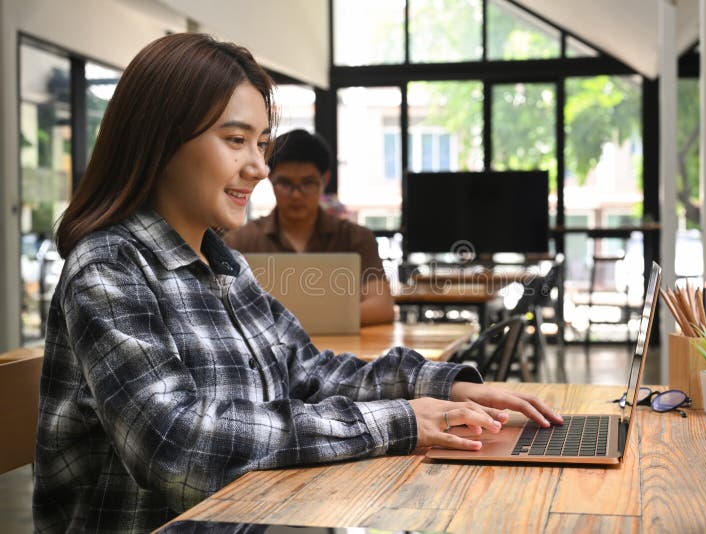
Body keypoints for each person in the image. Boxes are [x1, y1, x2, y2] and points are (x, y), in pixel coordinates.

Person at [33, 33, 562, 533]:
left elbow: (307, 371)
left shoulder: (224, 265)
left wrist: (444, 386)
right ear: (159, 140)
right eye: (236, 140)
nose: (260, 168)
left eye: (262, 144)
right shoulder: (109, 268)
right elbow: (177, 446)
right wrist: (400, 420)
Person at [223, 129, 394, 325]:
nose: (296, 195)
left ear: (325, 180)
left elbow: (381, 306)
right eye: (285, 183)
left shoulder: (355, 238)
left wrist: (297, 321)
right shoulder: (241, 241)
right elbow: (224, 308)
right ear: (270, 179)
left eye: (308, 183)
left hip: (341, 349)